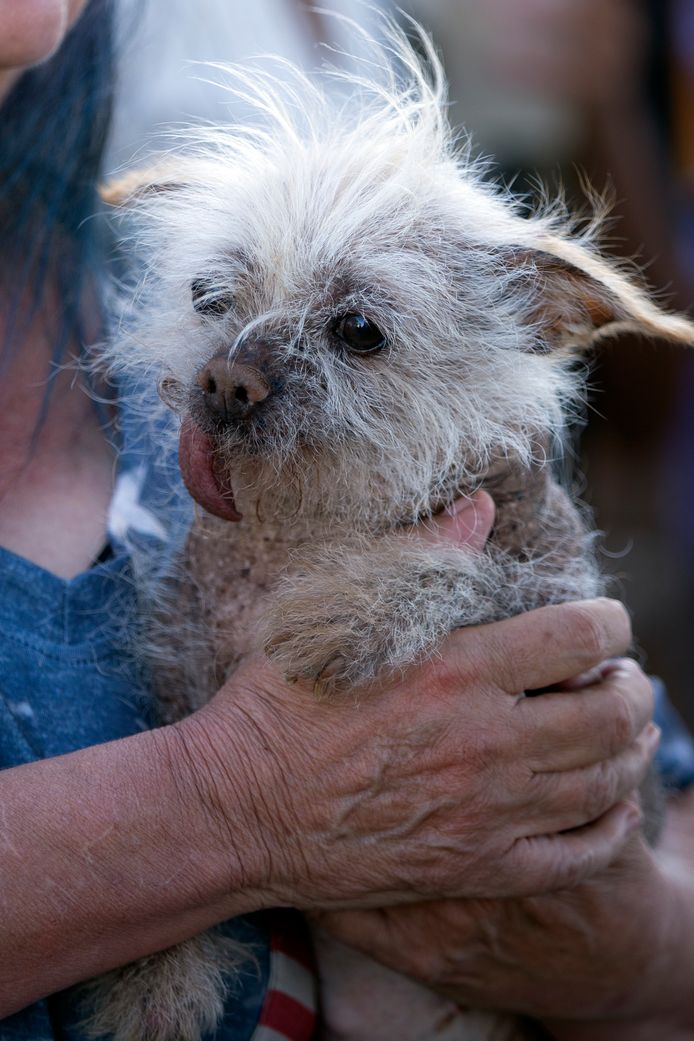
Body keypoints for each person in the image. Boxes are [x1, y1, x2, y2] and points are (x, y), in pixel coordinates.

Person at [0, 2, 685, 1040]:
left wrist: (637, 954)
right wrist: (233, 803)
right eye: (217, 296)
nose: (235, 373)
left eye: (359, 333)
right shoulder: (157, 357)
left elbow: (654, 788)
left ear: (534, 321)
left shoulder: (473, 492)